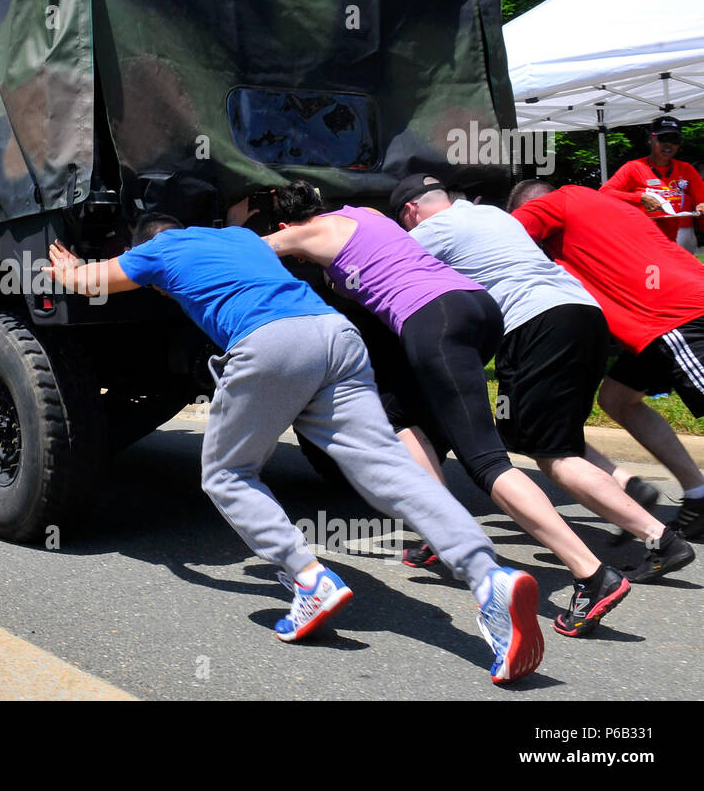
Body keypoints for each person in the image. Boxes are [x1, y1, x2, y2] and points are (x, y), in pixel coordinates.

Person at [43, 216, 544, 683]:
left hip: (270, 344)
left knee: (227, 475)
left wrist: (68, 272)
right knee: (391, 469)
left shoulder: (158, 248)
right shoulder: (239, 238)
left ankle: (309, 580)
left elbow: (94, 284)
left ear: (145, 242)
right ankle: (488, 577)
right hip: (335, 336)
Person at [264, 183, 629, 637]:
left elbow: (245, 251)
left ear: (288, 225)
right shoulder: (365, 215)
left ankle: (592, 575)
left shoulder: (304, 233)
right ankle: (444, 529)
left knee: (486, 460)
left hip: (433, 321)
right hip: (477, 309)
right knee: (399, 415)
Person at [393, 175, 693, 583]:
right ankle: (627, 488)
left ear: (411, 211)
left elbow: (386, 267)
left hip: (534, 324)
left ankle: (658, 537)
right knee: (537, 431)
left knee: (551, 454)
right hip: (584, 315)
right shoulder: (493, 216)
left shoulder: (431, 229)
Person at [509, 179, 704, 545]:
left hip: (678, 316)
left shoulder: (555, 203)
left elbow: (499, 236)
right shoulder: (597, 202)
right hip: (656, 323)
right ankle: (698, 495)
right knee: (616, 400)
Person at [600, 116, 702, 248]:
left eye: (674, 140)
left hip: (671, 241)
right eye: (663, 138)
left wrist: (701, 206)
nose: (668, 145)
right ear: (650, 139)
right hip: (640, 242)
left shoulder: (686, 169)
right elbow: (604, 192)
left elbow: (701, 199)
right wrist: (640, 198)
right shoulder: (634, 167)